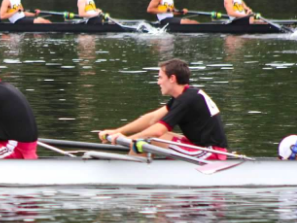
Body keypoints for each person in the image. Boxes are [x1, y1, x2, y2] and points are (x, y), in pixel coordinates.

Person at [98, 58, 228, 160]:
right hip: (202, 148)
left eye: (160, 77)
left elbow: (157, 131)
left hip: (211, 154)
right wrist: (118, 131)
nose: (158, 82)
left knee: (149, 139)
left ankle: (130, 176)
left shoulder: (187, 99)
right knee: (147, 136)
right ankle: (138, 169)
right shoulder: (186, 94)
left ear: (172, 78)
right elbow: (152, 119)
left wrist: (128, 140)